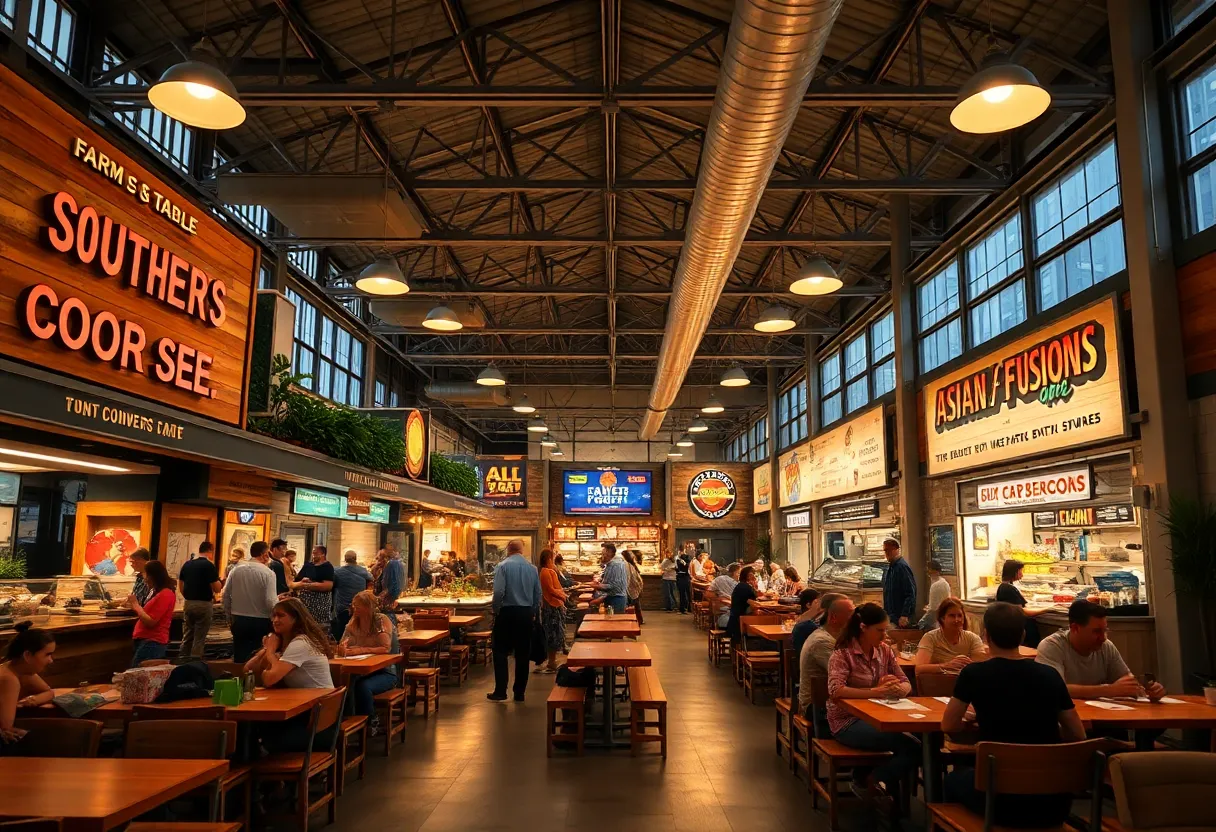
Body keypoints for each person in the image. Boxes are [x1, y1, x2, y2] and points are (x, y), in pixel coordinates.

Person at [942, 602, 1085, 827]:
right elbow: (1078, 734)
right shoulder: (1050, 675)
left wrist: (973, 723)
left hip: (998, 801)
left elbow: (948, 725)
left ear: (985, 635)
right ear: (1023, 635)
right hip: (1054, 803)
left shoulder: (973, 674)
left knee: (952, 780)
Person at [1036, 599, 1164, 749]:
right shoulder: (1052, 646)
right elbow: (1056, 691)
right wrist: (1109, 690)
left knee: (1138, 744)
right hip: (1068, 729)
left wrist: (1149, 690)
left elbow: (1126, 681)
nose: (1103, 637)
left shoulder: (1106, 647)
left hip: (1106, 723)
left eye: (1105, 630)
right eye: (1097, 631)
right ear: (1075, 628)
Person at [827, 602, 919, 803]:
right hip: (847, 721)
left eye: (885, 630)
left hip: (880, 715)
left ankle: (874, 780)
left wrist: (898, 690)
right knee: (912, 746)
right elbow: (836, 691)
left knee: (922, 739)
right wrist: (875, 692)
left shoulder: (884, 651)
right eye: (880, 630)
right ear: (863, 628)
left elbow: (905, 682)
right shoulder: (842, 654)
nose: (884, 636)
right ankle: (870, 780)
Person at [245, 598, 335, 753]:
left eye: (281, 616)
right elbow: (248, 669)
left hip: (317, 725)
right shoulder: (286, 642)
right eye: (273, 616)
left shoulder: (300, 643)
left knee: (256, 734)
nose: (275, 620)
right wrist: (267, 649)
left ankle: (261, 772)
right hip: (308, 714)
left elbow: (269, 678)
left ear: (295, 619)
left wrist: (271, 651)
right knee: (251, 727)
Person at [487, 539, 542, 702]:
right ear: (521, 550)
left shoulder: (502, 566)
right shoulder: (532, 569)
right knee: (523, 654)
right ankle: (519, 693)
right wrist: (533, 612)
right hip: (525, 614)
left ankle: (501, 691)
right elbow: (538, 594)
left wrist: (496, 610)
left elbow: (498, 592)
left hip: (507, 613)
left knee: (500, 651)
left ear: (508, 550)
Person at [337, 591, 397, 730]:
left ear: (368, 607)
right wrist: (343, 648)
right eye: (353, 605)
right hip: (362, 671)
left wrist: (360, 650)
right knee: (344, 684)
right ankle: (349, 723)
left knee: (362, 687)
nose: (353, 608)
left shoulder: (381, 620)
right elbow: (343, 642)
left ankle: (370, 721)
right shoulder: (353, 622)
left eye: (357, 606)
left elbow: (385, 647)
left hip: (385, 671)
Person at [799, 595, 854, 737]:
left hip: (838, 701)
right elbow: (848, 676)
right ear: (833, 618)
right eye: (851, 614)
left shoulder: (837, 639)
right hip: (817, 706)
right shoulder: (822, 642)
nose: (856, 619)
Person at [1, 624, 55, 752]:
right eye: (47, 654)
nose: (51, 660)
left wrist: (33, 700)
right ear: (27, 656)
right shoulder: (8, 679)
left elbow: (49, 692)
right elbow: (6, 728)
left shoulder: (21, 670)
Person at [222, 540, 278, 661]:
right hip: (261, 621)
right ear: (264, 555)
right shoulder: (268, 574)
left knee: (240, 657)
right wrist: (276, 616)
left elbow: (225, 595)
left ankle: (239, 678)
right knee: (258, 658)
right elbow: (270, 601)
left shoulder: (236, 570)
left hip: (239, 619)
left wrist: (229, 616)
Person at [914, 597, 985, 674]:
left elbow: (980, 668)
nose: (957, 620)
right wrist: (946, 665)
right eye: (952, 616)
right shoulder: (930, 638)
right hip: (938, 683)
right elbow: (919, 668)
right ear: (942, 618)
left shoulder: (973, 638)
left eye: (960, 616)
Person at [126, 560, 176, 666]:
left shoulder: (165, 594)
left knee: (138, 675)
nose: (145, 579)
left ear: (153, 576)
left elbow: (151, 621)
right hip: (147, 641)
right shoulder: (156, 592)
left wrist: (136, 605)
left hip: (152, 642)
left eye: (146, 575)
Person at [179, 541, 222, 659]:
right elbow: (217, 588)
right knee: (199, 637)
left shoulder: (187, 564)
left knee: (187, 635)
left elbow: (181, 585)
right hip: (204, 604)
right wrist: (220, 581)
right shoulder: (209, 565)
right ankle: (194, 663)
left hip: (188, 603)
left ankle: (182, 659)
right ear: (210, 550)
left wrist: (188, 597)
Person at [995, 559, 1045, 646]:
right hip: (1019, 628)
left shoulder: (1007, 586)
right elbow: (1021, 611)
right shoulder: (1008, 589)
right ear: (1014, 572)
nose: (1022, 574)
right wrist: (1049, 609)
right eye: (1020, 571)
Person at [332, 550, 374, 641]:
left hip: (342, 608)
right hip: (359, 607)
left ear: (345, 559)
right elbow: (372, 578)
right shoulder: (363, 571)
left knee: (341, 634)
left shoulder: (337, 571)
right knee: (357, 634)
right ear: (355, 559)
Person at [291, 545, 335, 629]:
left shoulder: (327, 567)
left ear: (323, 554)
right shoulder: (308, 565)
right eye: (313, 553)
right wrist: (301, 583)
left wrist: (308, 585)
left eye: (316, 553)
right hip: (305, 603)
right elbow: (297, 581)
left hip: (320, 604)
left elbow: (328, 585)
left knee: (318, 628)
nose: (313, 555)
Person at [537, 549, 567, 673]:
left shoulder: (550, 571)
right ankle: (551, 661)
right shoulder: (545, 572)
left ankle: (552, 660)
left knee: (556, 633)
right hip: (551, 606)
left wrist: (562, 595)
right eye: (552, 557)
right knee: (553, 634)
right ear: (549, 558)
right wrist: (563, 596)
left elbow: (556, 588)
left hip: (555, 605)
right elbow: (551, 589)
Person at [881, 538, 915, 628]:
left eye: (889, 550)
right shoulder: (891, 567)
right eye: (885, 550)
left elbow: (910, 593)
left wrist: (905, 615)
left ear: (896, 550)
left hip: (899, 618)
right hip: (892, 616)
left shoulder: (902, 567)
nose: (886, 553)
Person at [589, 542, 629, 614]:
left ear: (609, 552)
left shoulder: (616, 565)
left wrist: (597, 586)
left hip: (617, 599)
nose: (602, 555)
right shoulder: (611, 564)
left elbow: (615, 586)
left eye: (603, 552)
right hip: (612, 597)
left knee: (615, 622)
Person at [726, 565, 760, 643]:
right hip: (739, 623)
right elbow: (753, 604)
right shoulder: (743, 587)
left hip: (736, 620)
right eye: (754, 574)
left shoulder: (742, 585)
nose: (755, 576)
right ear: (748, 576)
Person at [789, 587, 824, 658]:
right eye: (817, 602)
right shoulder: (807, 625)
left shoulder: (806, 621)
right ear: (808, 605)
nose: (821, 605)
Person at [918, 559, 951, 630]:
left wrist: (922, 622)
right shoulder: (943, 582)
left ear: (935, 571)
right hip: (944, 619)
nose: (928, 572)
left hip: (938, 622)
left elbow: (933, 609)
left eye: (929, 569)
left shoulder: (936, 585)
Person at [709, 563, 741, 628]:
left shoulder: (740, 584)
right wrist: (719, 599)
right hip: (725, 613)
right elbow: (708, 593)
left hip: (737, 612)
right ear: (735, 573)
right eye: (739, 573)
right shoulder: (720, 580)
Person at [378, 547, 406, 621]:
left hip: (389, 602)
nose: (377, 561)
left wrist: (382, 597)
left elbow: (393, 584)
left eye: (379, 558)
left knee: (388, 622)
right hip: (391, 600)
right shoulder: (396, 564)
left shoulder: (391, 564)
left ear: (385, 558)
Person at [622, 549, 644, 624]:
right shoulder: (631, 565)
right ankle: (639, 620)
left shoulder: (628, 566)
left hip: (632, 589)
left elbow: (630, 579)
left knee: (632, 606)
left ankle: (633, 621)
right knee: (636, 605)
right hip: (635, 589)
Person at [674, 545, 692, 614]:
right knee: (685, 593)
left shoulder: (680, 558)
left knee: (683, 594)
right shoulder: (686, 558)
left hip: (682, 577)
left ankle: (684, 609)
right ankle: (686, 608)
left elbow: (677, 568)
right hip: (685, 577)